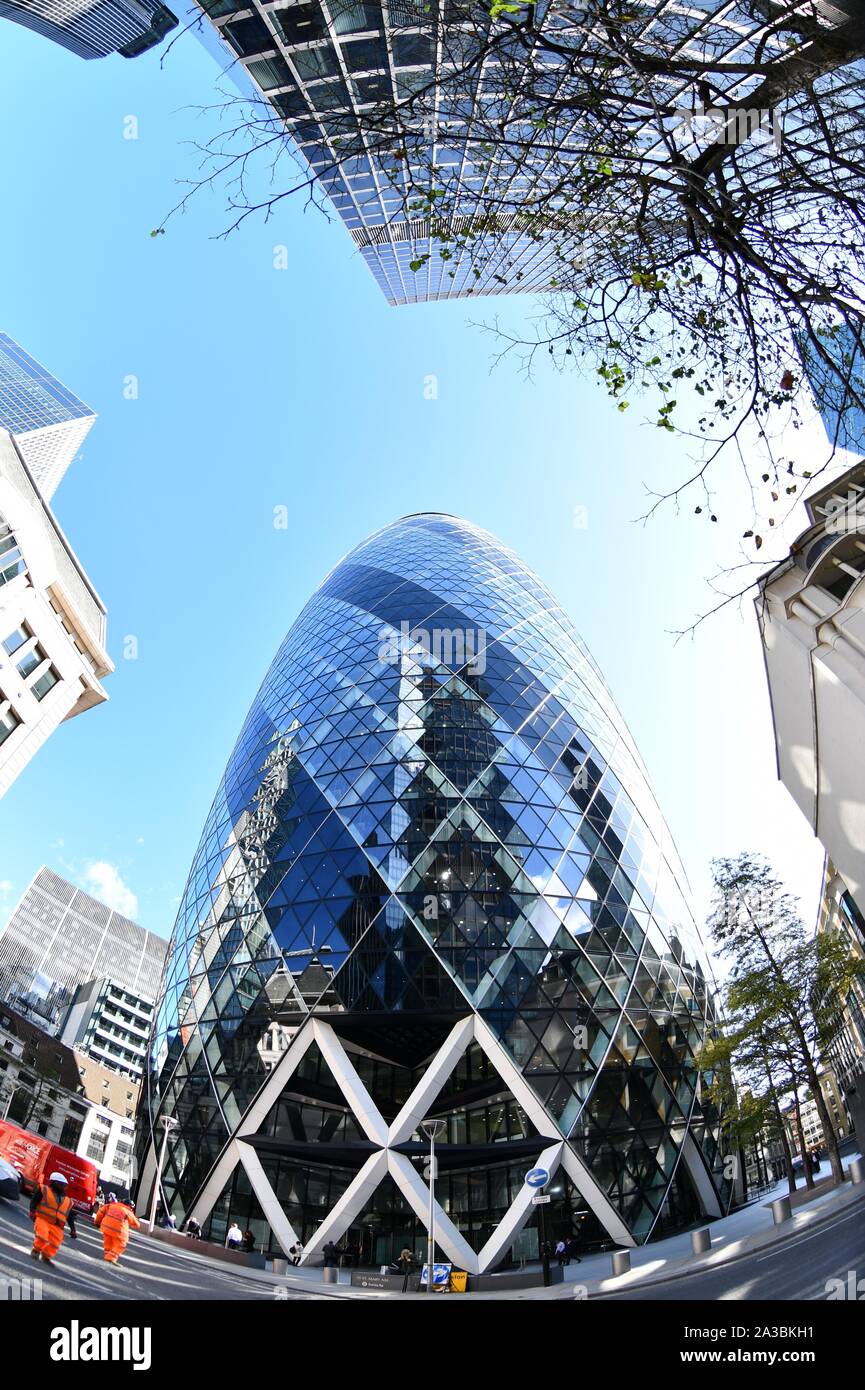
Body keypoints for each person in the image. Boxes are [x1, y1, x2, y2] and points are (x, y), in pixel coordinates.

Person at [29, 1171, 78, 1265]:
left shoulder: (68, 1201)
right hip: (42, 1219)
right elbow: (34, 1200)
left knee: (55, 1243)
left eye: (64, 1185)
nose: (64, 1187)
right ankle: (36, 1250)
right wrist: (32, 1211)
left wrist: (73, 1230)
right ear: (54, 1183)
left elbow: (70, 1216)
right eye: (62, 1185)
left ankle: (46, 1256)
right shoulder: (44, 1189)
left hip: (57, 1226)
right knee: (42, 1236)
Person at [94, 1196, 141, 1265]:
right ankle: (111, 1257)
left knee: (108, 1242)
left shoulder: (111, 1206)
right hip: (118, 1231)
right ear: (129, 1206)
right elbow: (136, 1224)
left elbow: (100, 1212)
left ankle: (107, 1255)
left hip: (106, 1228)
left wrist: (97, 1222)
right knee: (121, 1244)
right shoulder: (127, 1211)